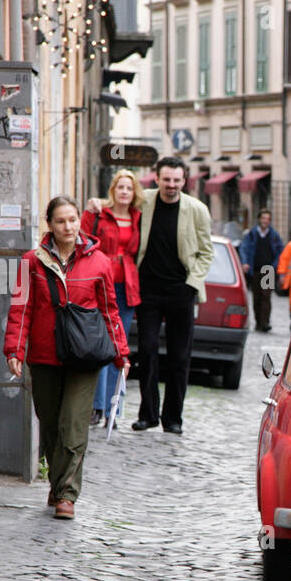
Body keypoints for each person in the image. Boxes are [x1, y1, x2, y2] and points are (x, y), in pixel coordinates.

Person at [4, 195, 129, 520]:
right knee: (50, 427)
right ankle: (58, 483)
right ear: (50, 225)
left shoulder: (99, 262)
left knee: (73, 424)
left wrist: (121, 353)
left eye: (73, 219)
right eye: (61, 221)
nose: (68, 226)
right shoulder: (32, 261)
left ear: (79, 221)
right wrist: (15, 350)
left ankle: (67, 496)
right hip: (44, 356)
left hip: (84, 357)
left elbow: (109, 311)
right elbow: (21, 308)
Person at [88, 155, 213, 434]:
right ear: (157, 178)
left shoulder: (197, 209)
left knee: (180, 357)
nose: (171, 185)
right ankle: (148, 414)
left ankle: (173, 419)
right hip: (148, 290)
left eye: (176, 180)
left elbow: (206, 252)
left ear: (184, 181)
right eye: (166, 179)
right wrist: (95, 203)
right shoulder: (145, 201)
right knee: (146, 351)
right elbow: (118, 204)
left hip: (182, 290)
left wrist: (192, 283)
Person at [81, 169, 143, 428]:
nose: (125, 192)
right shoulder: (99, 215)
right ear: (113, 191)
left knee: (119, 348)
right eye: (120, 187)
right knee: (99, 347)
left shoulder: (139, 217)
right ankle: (96, 407)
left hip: (126, 287)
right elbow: (81, 239)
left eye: (129, 188)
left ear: (134, 192)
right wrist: (88, 207)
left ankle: (113, 409)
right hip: (100, 285)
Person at [238, 208, 283, 333]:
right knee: (256, 297)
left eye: (268, 219)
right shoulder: (252, 234)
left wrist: (275, 265)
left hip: (268, 269)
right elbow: (244, 248)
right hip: (255, 269)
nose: (265, 221)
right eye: (263, 218)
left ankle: (265, 323)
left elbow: (280, 250)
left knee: (266, 296)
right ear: (259, 219)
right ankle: (258, 322)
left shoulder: (273, 235)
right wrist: (244, 262)